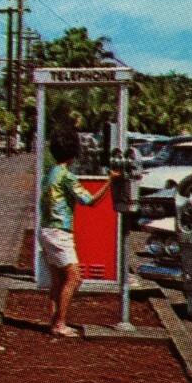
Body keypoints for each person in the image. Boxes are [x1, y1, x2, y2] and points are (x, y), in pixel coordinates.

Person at [39, 130, 117, 337]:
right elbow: (88, 200)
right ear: (73, 153)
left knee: (58, 280)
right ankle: (60, 324)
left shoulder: (51, 173)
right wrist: (110, 181)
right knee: (74, 278)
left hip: (46, 229)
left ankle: (54, 321)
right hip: (59, 232)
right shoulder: (66, 175)